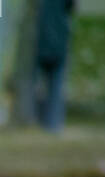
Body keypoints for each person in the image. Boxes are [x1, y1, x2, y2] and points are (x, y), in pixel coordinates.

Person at [33, 0, 74, 131]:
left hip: (42, 44)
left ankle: (41, 120)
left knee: (41, 86)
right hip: (58, 45)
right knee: (55, 87)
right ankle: (53, 124)